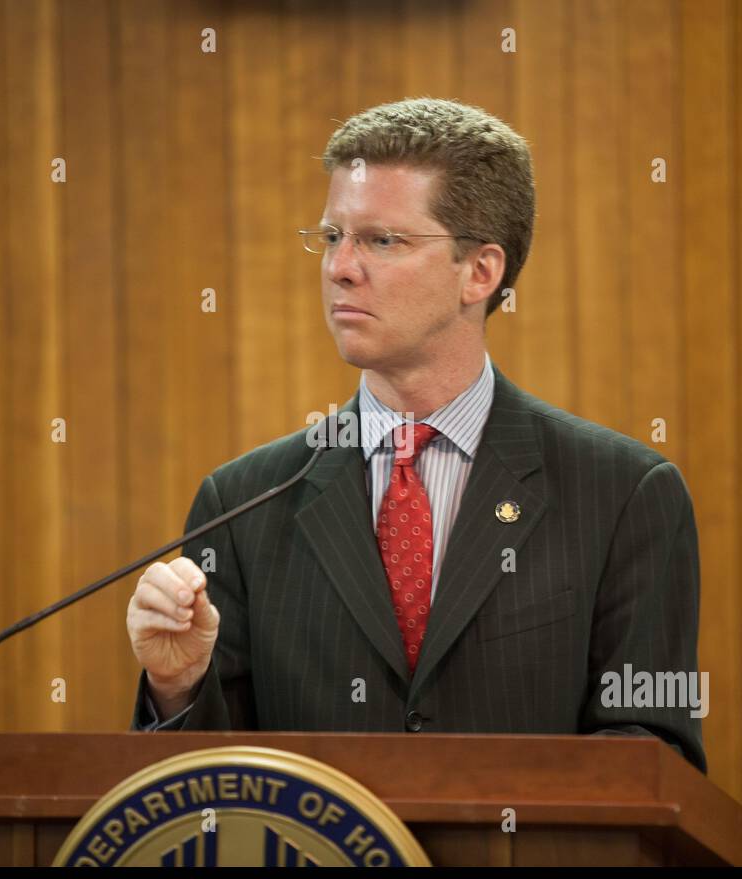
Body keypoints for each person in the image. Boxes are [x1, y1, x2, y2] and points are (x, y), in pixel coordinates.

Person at [126, 97, 705, 773]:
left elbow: (654, 756)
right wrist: (176, 686)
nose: (340, 267)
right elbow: (206, 797)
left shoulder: (624, 495)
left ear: (480, 272)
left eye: (381, 240)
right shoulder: (242, 502)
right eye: (331, 236)